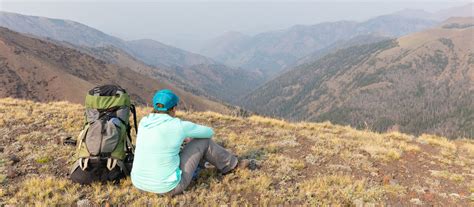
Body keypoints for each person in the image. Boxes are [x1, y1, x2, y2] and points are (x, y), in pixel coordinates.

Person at [131, 89, 250, 196]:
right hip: (167, 188)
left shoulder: (144, 122)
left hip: (139, 184)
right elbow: (209, 132)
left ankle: (212, 164)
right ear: (173, 108)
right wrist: (188, 135)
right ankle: (233, 165)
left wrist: (181, 137)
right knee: (203, 141)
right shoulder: (178, 125)